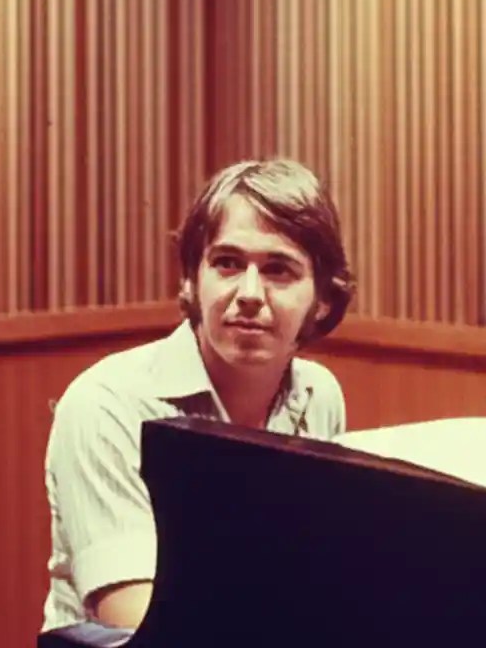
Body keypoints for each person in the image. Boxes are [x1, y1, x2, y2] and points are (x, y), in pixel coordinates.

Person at [40, 158, 356, 632]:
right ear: (192, 279)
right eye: (227, 263)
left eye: (279, 270)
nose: (249, 293)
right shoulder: (105, 403)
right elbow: (137, 621)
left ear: (323, 299)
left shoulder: (319, 397)